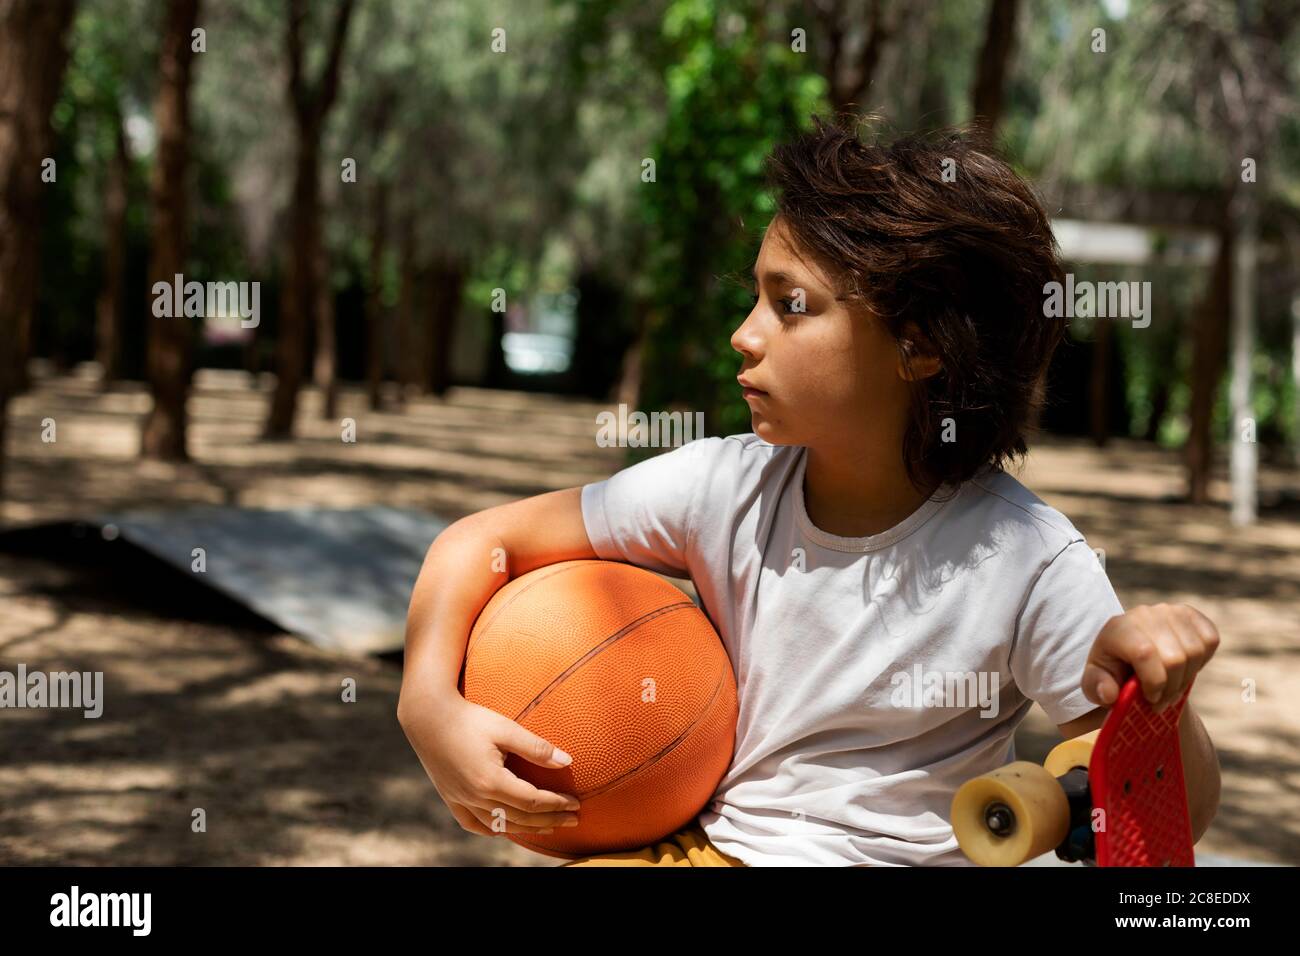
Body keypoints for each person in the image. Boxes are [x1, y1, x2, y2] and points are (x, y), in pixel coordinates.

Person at [398, 114, 1221, 867]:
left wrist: (1158, 702)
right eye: (755, 295)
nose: (744, 334)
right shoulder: (723, 484)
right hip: (712, 851)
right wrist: (429, 706)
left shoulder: (1029, 559)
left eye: (790, 305)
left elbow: (1177, 809)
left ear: (921, 346)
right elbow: (480, 543)